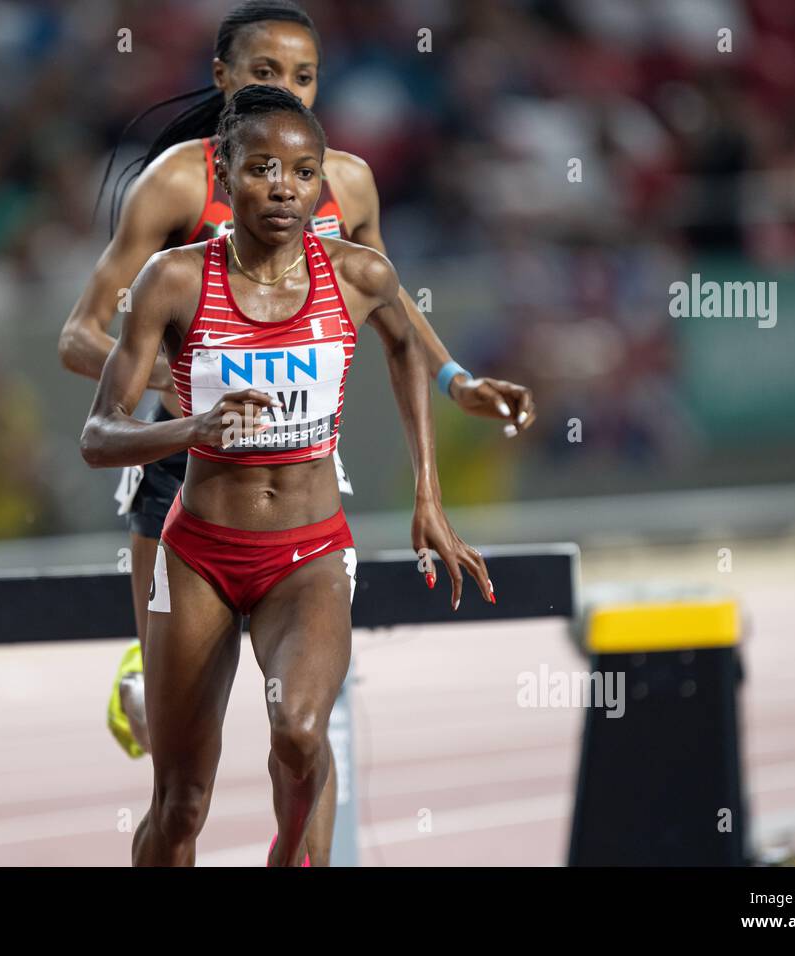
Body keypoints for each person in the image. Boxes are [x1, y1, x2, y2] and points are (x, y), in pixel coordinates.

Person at [60, 0, 534, 863]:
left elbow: (386, 302)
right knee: (181, 790)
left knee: (307, 733)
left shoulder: (341, 182)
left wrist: (454, 378)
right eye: (265, 73)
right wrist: (197, 388)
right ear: (223, 79)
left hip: (303, 480)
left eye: (304, 77)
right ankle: (153, 660)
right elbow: (81, 336)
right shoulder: (175, 186)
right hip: (184, 471)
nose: (285, 88)